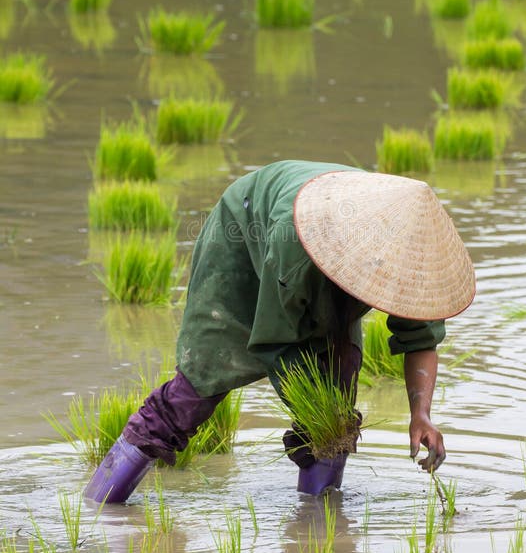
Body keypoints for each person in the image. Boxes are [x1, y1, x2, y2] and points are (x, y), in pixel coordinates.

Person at [84, 160, 475, 503]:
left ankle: (318, 526)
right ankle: (100, 506)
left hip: (325, 247)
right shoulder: (301, 246)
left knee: (338, 390)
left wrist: (420, 415)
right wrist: (316, 413)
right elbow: (275, 341)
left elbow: (420, 339)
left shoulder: (414, 259)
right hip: (248, 231)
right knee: (198, 389)